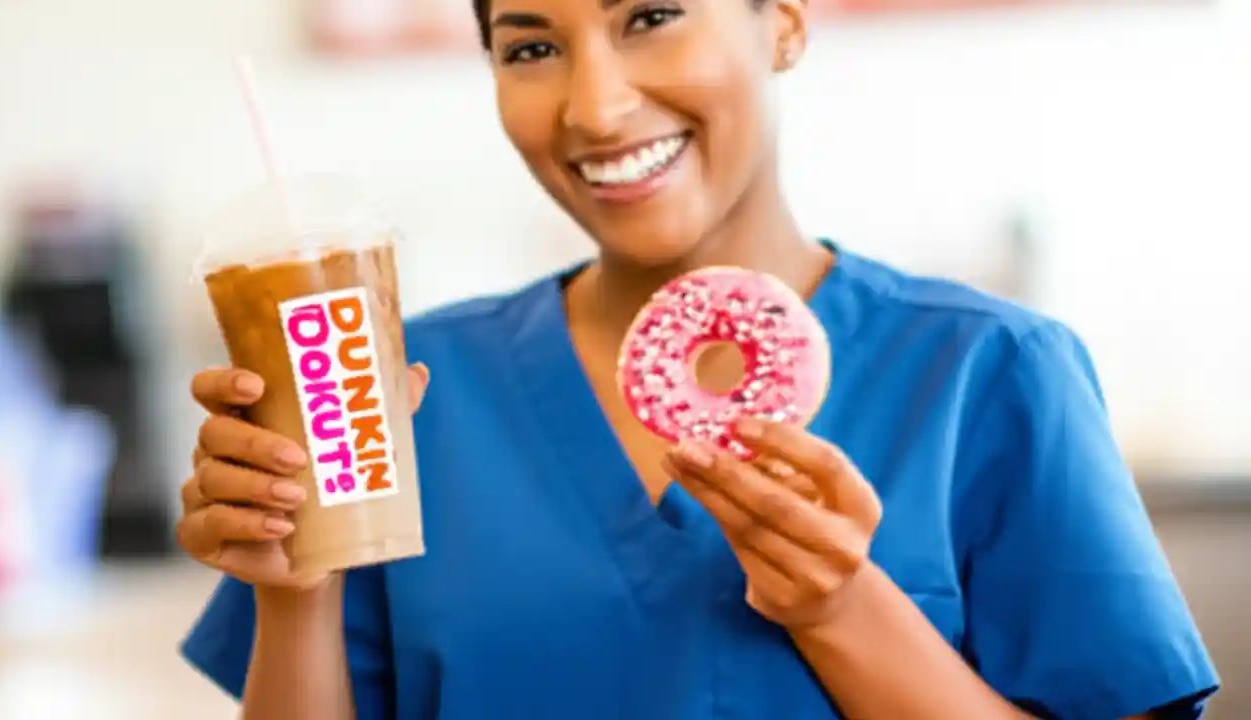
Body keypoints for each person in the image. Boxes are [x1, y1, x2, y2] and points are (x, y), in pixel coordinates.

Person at [177, 0, 1220, 718]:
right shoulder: (399, 401)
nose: (593, 106)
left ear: (786, 21)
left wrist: (841, 607)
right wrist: (293, 586)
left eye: (650, 16)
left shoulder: (992, 372)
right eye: (530, 47)